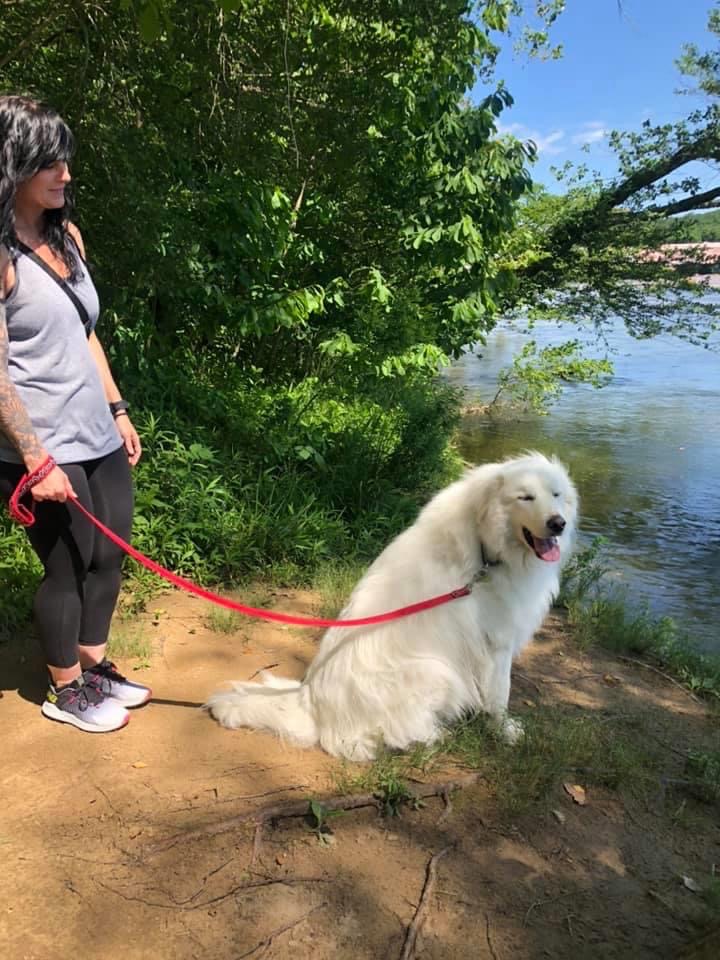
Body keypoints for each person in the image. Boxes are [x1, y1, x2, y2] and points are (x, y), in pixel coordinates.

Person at [0, 94, 151, 732]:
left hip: (96, 430)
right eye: (50, 162)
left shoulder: (69, 235)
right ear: (13, 165)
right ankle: (65, 689)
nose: (67, 173)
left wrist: (117, 409)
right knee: (67, 564)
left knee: (109, 554)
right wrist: (35, 459)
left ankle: (94, 664)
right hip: (41, 444)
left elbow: (86, 332)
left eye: (68, 159)